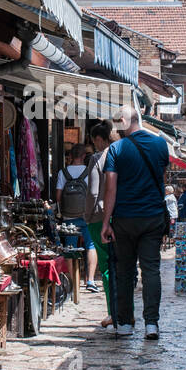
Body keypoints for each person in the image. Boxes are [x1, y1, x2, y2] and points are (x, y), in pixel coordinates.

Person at [101, 107, 169, 339]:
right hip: (152, 217)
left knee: (125, 271)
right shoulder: (160, 144)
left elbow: (111, 187)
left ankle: (125, 324)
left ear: (123, 121)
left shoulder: (116, 149)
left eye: (116, 124)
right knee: (151, 270)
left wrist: (105, 222)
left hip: (125, 219)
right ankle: (151, 324)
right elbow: (161, 177)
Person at [55, 143, 99, 291]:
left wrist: (61, 211)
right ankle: (91, 281)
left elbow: (58, 196)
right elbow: (93, 193)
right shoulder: (89, 171)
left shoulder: (63, 172)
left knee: (70, 248)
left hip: (68, 216)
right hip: (86, 215)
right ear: (83, 156)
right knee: (90, 245)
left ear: (71, 156)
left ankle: (73, 283)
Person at [84, 119, 115, 324]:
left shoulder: (97, 158)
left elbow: (93, 192)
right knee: (122, 265)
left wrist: (86, 216)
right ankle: (126, 311)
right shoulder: (120, 155)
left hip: (99, 218)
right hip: (120, 216)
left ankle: (113, 311)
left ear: (98, 139)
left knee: (106, 267)